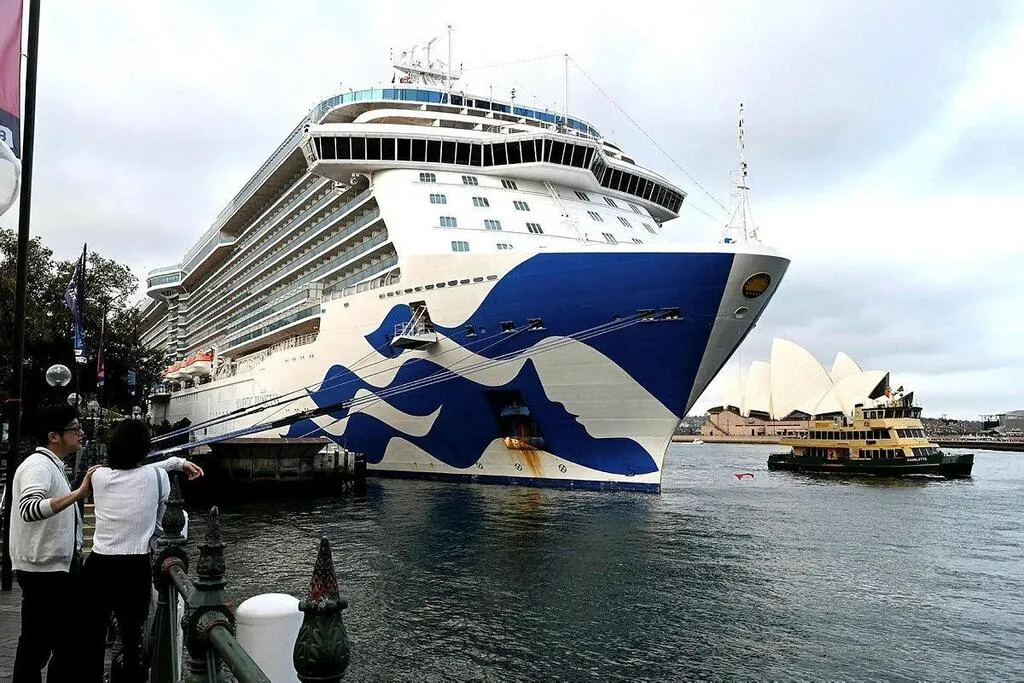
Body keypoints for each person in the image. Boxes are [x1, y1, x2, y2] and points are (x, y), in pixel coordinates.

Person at [82, 418, 204, 682]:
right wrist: (178, 463)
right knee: (131, 639)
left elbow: (133, 471)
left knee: (91, 635)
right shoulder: (157, 477)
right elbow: (153, 471)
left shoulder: (98, 476)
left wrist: (174, 463)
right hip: (134, 565)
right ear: (144, 448)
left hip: (98, 564)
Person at [8, 404, 96, 682]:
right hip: (43, 571)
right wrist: (79, 492)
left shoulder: (49, 465)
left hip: (51, 568)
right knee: (41, 645)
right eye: (75, 428)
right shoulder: (38, 466)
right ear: (53, 436)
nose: (81, 433)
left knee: (53, 643)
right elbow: (30, 508)